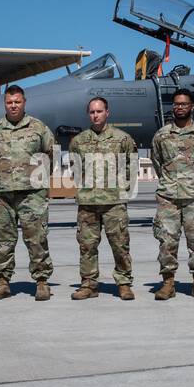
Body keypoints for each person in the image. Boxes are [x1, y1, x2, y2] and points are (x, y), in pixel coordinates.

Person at [0, 85, 54, 301]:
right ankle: (3, 283)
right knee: (3, 240)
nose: (13, 106)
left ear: (24, 102)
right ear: (5, 104)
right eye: (10, 102)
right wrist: (2, 176)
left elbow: (51, 154)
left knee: (37, 239)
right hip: (3, 195)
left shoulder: (39, 128)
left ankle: (41, 282)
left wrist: (37, 179)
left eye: (17, 102)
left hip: (33, 195)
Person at [150, 89, 194, 300]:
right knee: (166, 241)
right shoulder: (162, 135)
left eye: (184, 104)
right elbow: (157, 162)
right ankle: (168, 284)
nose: (179, 107)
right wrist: (172, 183)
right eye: (176, 104)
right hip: (168, 197)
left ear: (192, 107)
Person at [68, 96, 138, 300]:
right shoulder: (79, 141)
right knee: (87, 245)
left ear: (107, 112)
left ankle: (124, 283)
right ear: (88, 114)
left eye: (99, 111)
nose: (95, 115)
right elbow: (76, 168)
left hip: (114, 203)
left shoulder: (122, 139)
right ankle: (89, 284)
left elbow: (131, 168)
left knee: (120, 244)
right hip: (88, 203)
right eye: (92, 112)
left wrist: (120, 190)